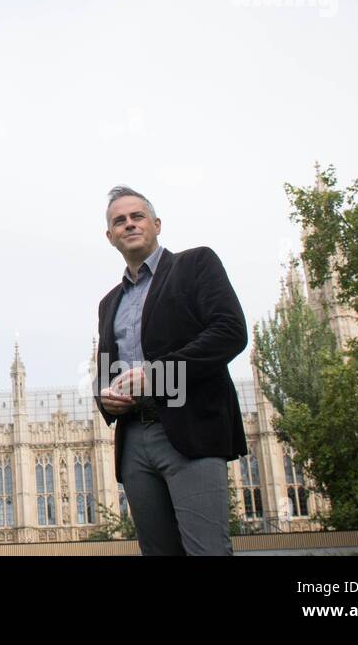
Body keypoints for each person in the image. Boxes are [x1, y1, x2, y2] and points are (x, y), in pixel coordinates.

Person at [94, 185, 248, 555]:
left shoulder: (195, 265)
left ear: (156, 224)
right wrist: (105, 399)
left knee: (206, 550)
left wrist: (156, 375)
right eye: (120, 221)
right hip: (134, 439)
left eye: (137, 217)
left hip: (187, 429)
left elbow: (230, 332)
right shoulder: (109, 302)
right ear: (110, 236)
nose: (129, 225)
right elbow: (104, 368)